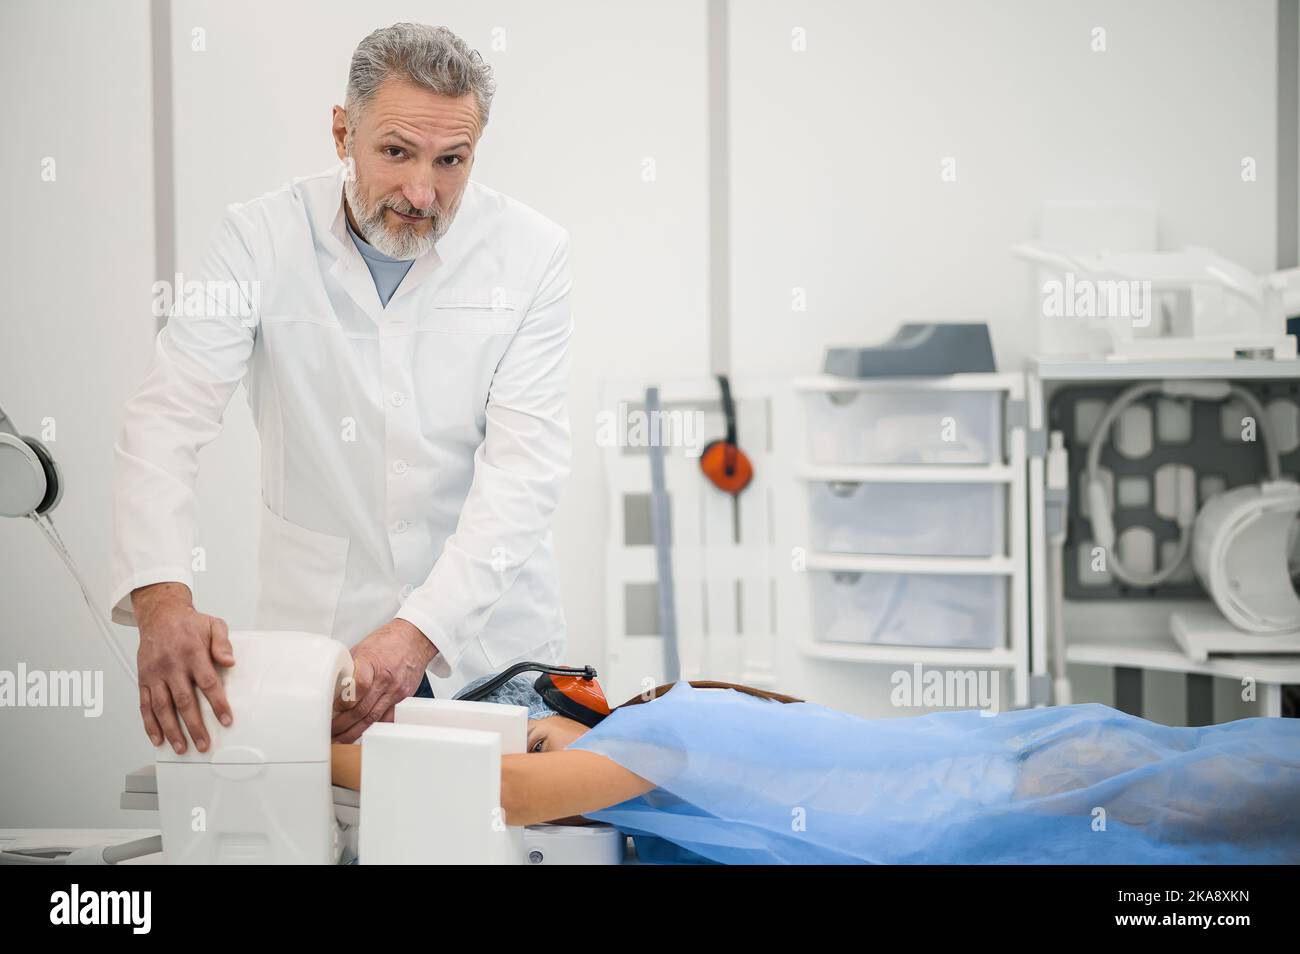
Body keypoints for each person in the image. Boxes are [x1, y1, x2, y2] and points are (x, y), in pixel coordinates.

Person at [110, 23, 573, 757]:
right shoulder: (257, 239)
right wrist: (162, 596)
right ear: (341, 132)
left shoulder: (533, 253)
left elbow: (525, 473)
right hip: (323, 644)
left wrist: (421, 632)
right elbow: (169, 416)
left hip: (491, 645)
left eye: (451, 161)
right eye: (396, 152)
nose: (423, 192)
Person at [332, 678, 1300, 864]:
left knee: (1236, 818)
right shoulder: (686, 716)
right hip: (1011, 775)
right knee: (1224, 816)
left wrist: (311, 755)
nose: (542, 754)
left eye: (537, 733)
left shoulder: (657, 733)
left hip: (994, 797)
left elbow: (511, 793)